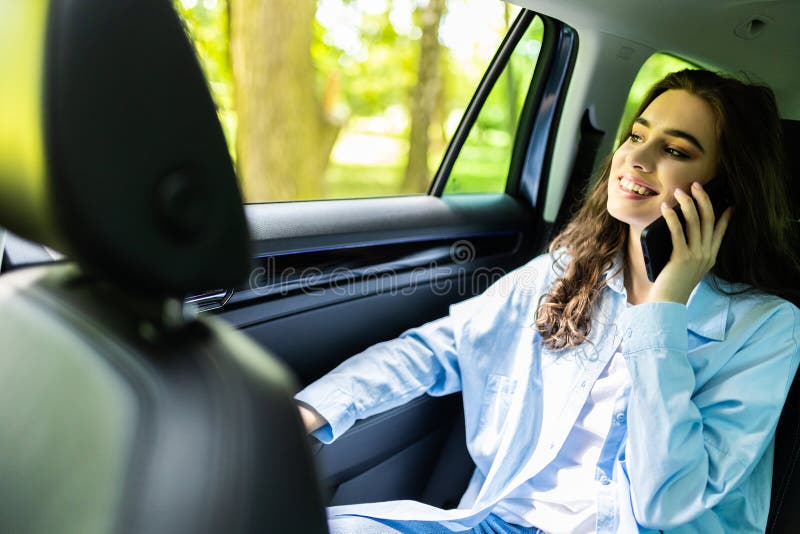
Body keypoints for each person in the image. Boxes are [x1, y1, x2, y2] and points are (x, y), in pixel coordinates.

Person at [295, 69, 800, 533]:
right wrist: (307, 412)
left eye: (677, 151)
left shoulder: (767, 328)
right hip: (496, 522)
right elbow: (435, 349)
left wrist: (662, 312)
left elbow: (665, 502)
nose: (637, 160)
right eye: (638, 135)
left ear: (725, 188)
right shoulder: (564, 269)